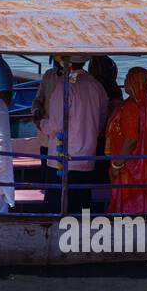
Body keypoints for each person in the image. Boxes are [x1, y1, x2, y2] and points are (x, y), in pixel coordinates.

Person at [28, 56, 108, 210]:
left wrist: (40, 123)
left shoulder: (64, 86)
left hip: (63, 160)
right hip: (87, 158)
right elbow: (101, 121)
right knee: (82, 208)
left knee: (57, 210)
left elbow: (56, 124)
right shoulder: (96, 85)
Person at [103, 66, 147, 214]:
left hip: (129, 167)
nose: (125, 81)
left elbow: (131, 139)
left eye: (128, 77)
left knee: (128, 199)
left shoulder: (131, 107)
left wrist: (116, 165)